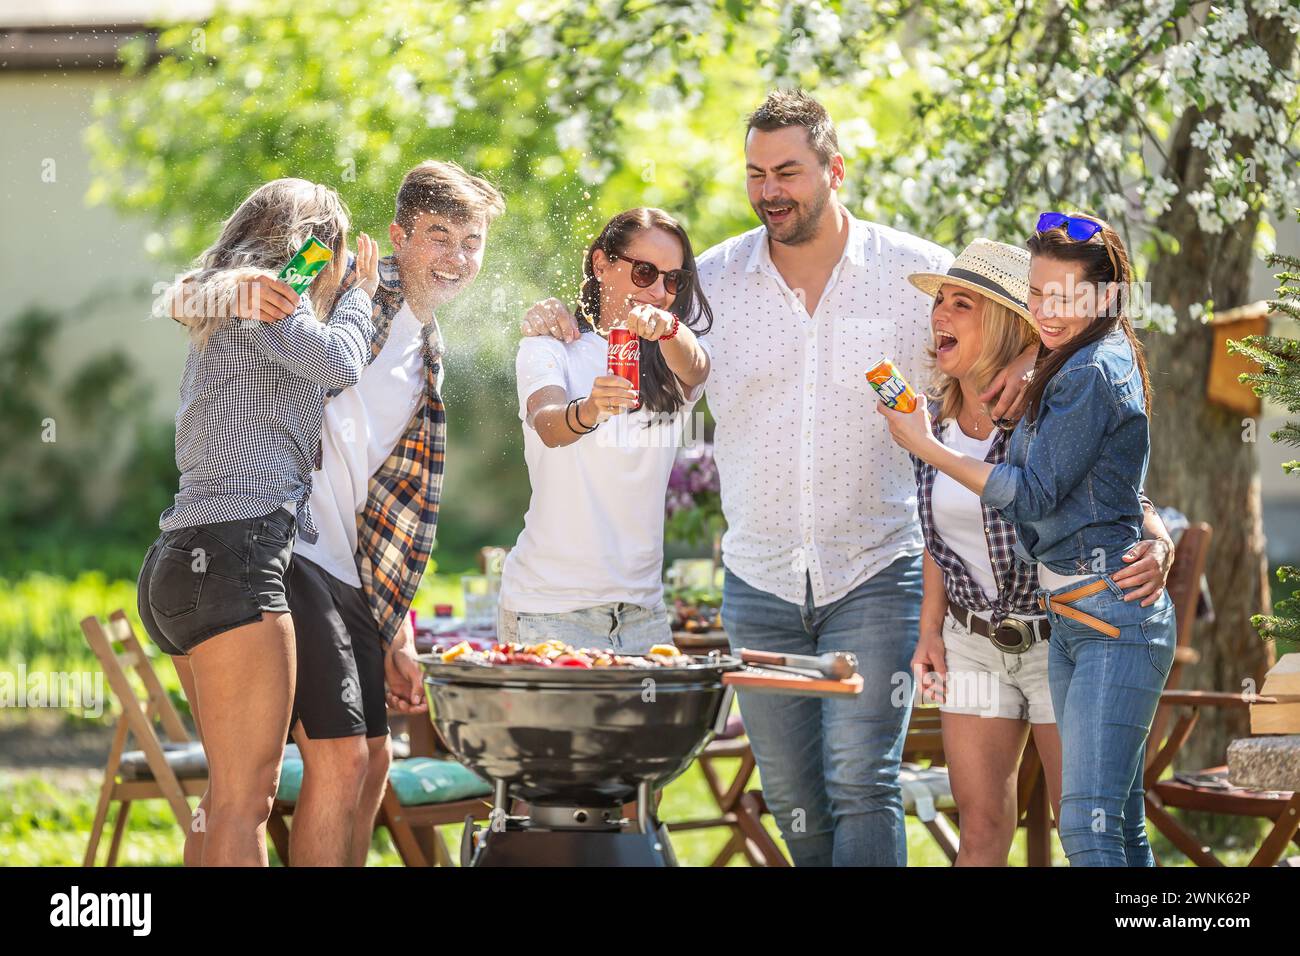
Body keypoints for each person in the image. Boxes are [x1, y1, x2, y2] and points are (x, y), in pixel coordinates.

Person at [522, 89, 1038, 866]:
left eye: (788, 171)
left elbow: (1012, 332)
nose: (770, 190)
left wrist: (1028, 367)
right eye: (757, 173)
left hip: (876, 570)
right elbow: (639, 325)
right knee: (795, 798)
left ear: (836, 169)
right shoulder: (716, 280)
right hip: (759, 583)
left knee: (862, 783)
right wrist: (560, 320)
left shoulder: (915, 273)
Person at [167, 160, 504, 866]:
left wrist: (398, 627)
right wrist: (202, 288)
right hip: (281, 552)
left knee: (370, 763)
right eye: (439, 236)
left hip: (346, 570)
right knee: (329, 765)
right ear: (397, 236)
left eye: (471, 241)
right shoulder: (343, 283)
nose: (456, 257)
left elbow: (383, 498)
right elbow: (238, 278)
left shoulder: (427, 350)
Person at [879, 211, 1176, 866]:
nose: (941, 316)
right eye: (941, 302)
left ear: (1004, 322)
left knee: (1090, 830)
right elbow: (938, 538)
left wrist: (1157, 538)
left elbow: (1098, 492)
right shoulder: (932, 414)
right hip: (978, 642)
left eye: (964, 303)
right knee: (995, 829)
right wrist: (931, 632)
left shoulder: (1053, 394)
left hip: (1061, 632)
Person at [138, 178, 378, 866]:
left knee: (225, 800)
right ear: (317, 246)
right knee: (247, 802)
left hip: (180, 561)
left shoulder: (228, 296)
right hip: (237, 557)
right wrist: (358, 295)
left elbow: (185, 291)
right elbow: (339, 364)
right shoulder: (273, 298)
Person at [500, 208, 711, 651]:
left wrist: (670, 328)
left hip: (643, 613)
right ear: (601, 264)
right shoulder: (550, 347)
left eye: (673, 280)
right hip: (549, 608)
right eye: (645, 272)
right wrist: (591, 409)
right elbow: (549, 424)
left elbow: (698, 365)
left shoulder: (672, 360)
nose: (658, 291)